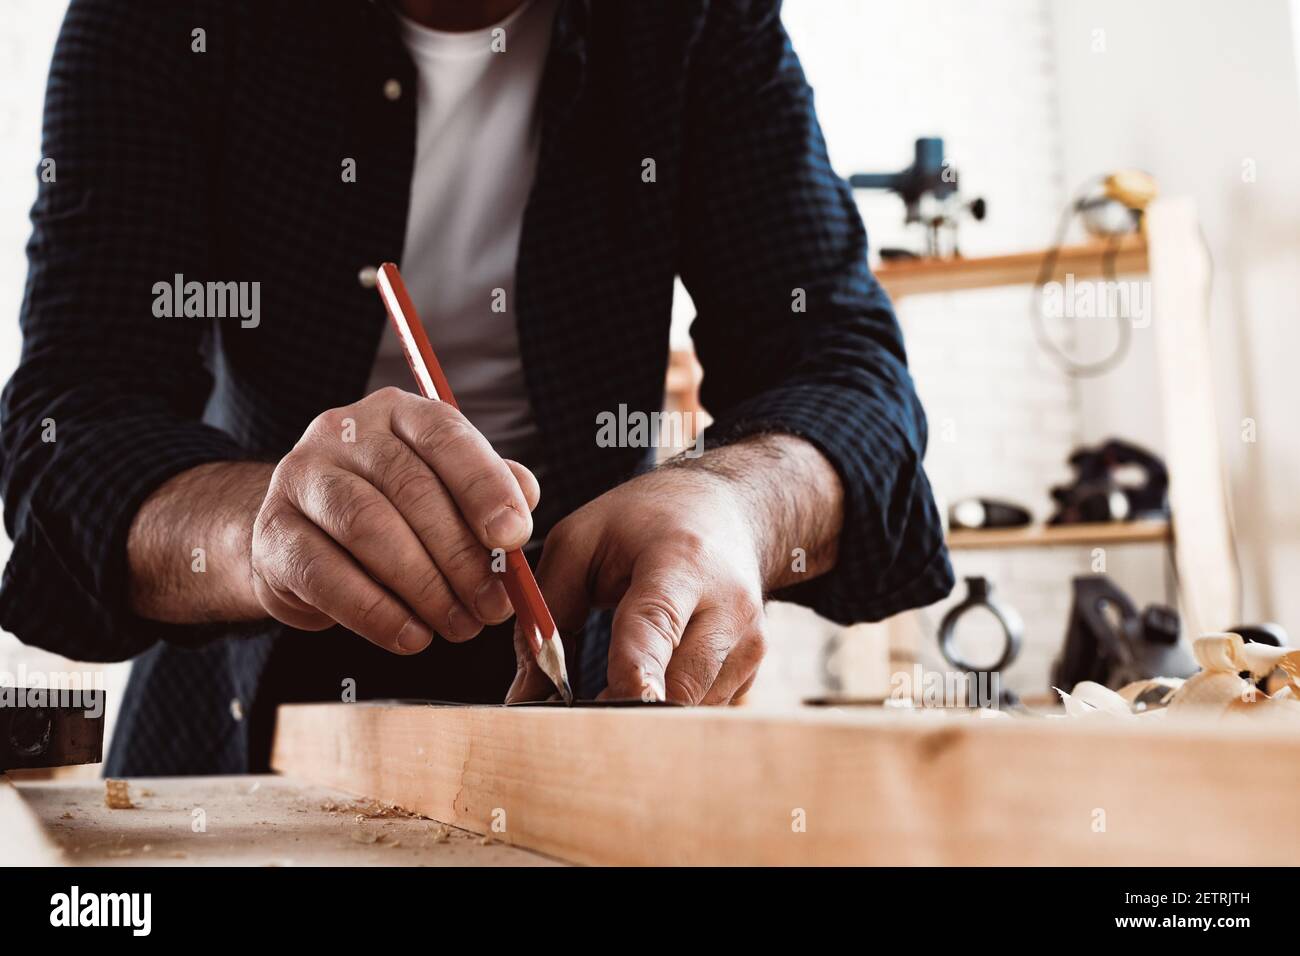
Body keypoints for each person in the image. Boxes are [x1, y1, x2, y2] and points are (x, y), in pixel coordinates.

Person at [0, 0, 953, 775]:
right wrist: (258, 529)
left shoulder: (702, 20)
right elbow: (70, 427)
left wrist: (737, 507)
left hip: (588, 684)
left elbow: (843, 373)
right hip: (240, 690)